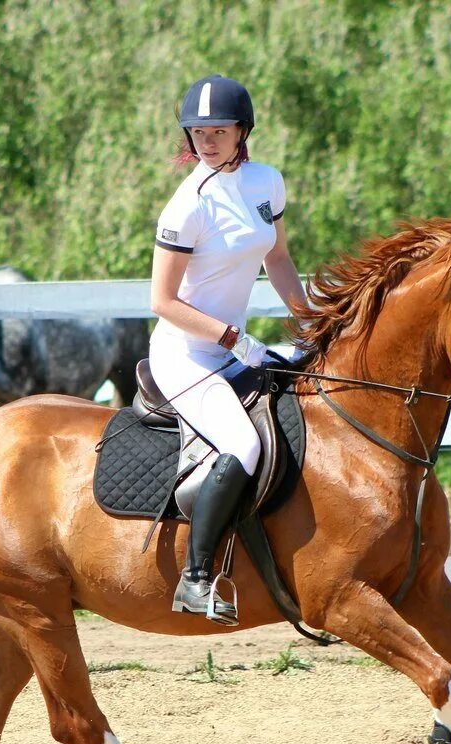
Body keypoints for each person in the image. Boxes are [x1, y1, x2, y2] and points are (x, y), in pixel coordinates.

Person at [148, 74, 308, 623]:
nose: (208, 140)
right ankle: (194, 580)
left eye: (219, 130)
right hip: (187, 356)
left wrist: (311, 321)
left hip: (239, 350)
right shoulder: (186, 205)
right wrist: (233, 339)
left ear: (244, 131)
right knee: (243, 445)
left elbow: (278, 259)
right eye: (198, 131)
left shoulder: (267, 182)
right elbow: (163, 301)